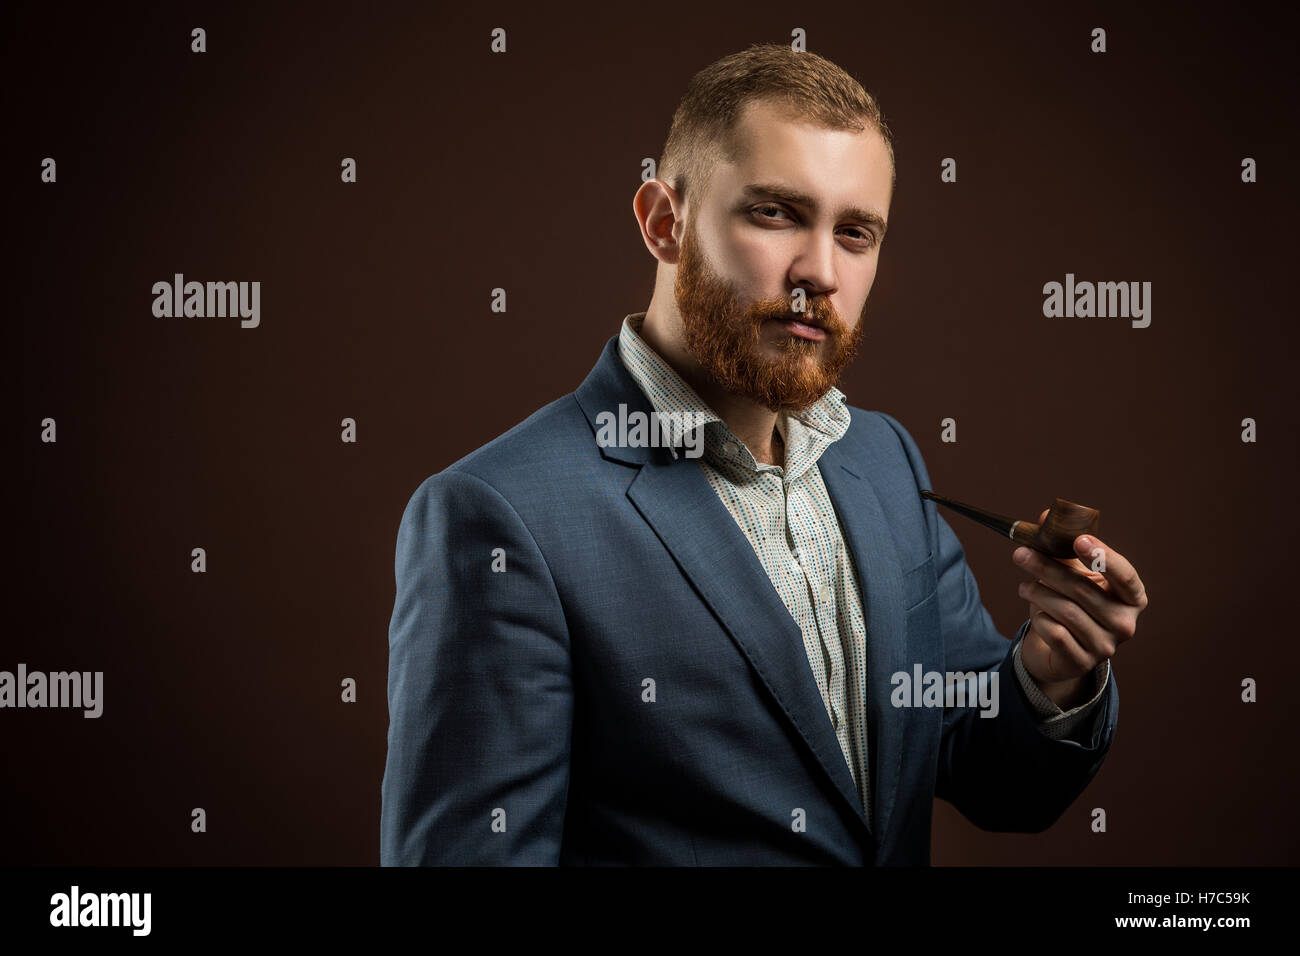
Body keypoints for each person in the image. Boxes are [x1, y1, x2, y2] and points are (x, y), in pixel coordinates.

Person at [380, 43, 1147, 866]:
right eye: (776, 213)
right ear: (663, 222)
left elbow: (986, 774)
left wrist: (1052, 672)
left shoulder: (883, 459)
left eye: (855, 232)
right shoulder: (501, 515)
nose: (818, 271)